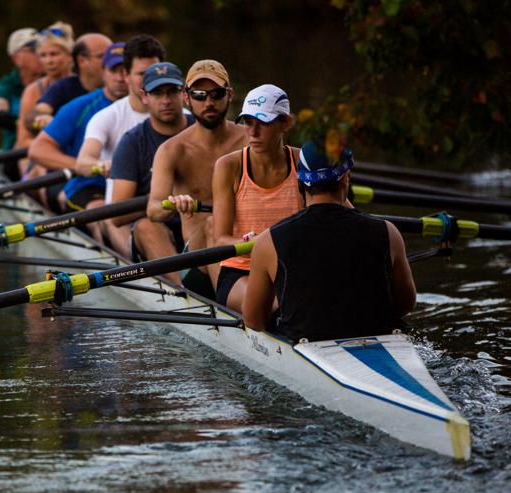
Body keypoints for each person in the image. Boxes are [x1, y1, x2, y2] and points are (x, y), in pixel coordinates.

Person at [243, 141, 417, 340]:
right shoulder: (388, 232)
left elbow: (253, 321)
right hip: (381, 339)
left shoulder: (268, 242)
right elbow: (405, 304)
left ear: (299, 181)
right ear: (345, 177)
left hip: (306, 346)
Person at [146, 60, 246, 290]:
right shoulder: (172, 150)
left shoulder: (251, 140)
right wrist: (172, 204)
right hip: (198, 262)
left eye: (216, 94)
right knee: (213, 224)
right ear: (186, 97)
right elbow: (153, 210)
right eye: (199, 95)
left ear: (230, 95)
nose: (209, 102)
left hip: (249, 245)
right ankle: (236, 305)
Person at [209, 84, 305, 311]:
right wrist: (253, 244)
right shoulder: (228, 166)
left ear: (286, 123)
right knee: (279, 305)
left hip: (290, 271)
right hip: (241, 271)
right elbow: (220, 239)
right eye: (248, 122)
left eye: (263, 123)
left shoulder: (303, 162)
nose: (253, 132)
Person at [108, 61, 194, 284]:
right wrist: (160, 198)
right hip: (159, 229)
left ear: (184, 94)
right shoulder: (132, 142)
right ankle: (185, 291)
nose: (165, 100)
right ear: (144, 96)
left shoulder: (202, 128)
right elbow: (117, 216)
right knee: (147, 226)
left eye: (171, 92)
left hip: (198, 222)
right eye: (157, 93)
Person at [28, 42, 128, 233]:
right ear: (104, 72)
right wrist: (88, 165)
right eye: (114, 70)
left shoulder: (154, 107)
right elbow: (37, 150)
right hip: (90, 184)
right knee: (105, 213)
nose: (121, 78)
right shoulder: (81, 107)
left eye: (126, 71)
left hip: (132, 187)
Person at [74, 35, 165, 178]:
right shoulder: (106, 117)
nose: (149, 79)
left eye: (153, 73)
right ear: (127, 75)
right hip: (123, 197)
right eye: (142, 74)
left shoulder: (183, 117)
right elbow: (82, 163)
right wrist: (100, 165)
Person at [14, 22, 75, 154]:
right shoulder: (33, 90)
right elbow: (23, 141)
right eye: (43, 55)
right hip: (43, 155)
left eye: (54, 54)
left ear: (69, 56)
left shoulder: (82, 85)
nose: (49, 61)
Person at [33, 33, 113, 121]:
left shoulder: (124, 86)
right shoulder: (63, 87)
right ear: (81, 61)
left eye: (112, 56)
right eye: (102, 56)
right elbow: (35, 115)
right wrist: (42, 120)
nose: (110, 62)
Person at [0, 28, 42, 154]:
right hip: (16, 151)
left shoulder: (55, 83)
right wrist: (2, 115)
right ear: (16, 58)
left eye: (43, 47)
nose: (41, 53)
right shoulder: (6, 85)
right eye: (34, 49)